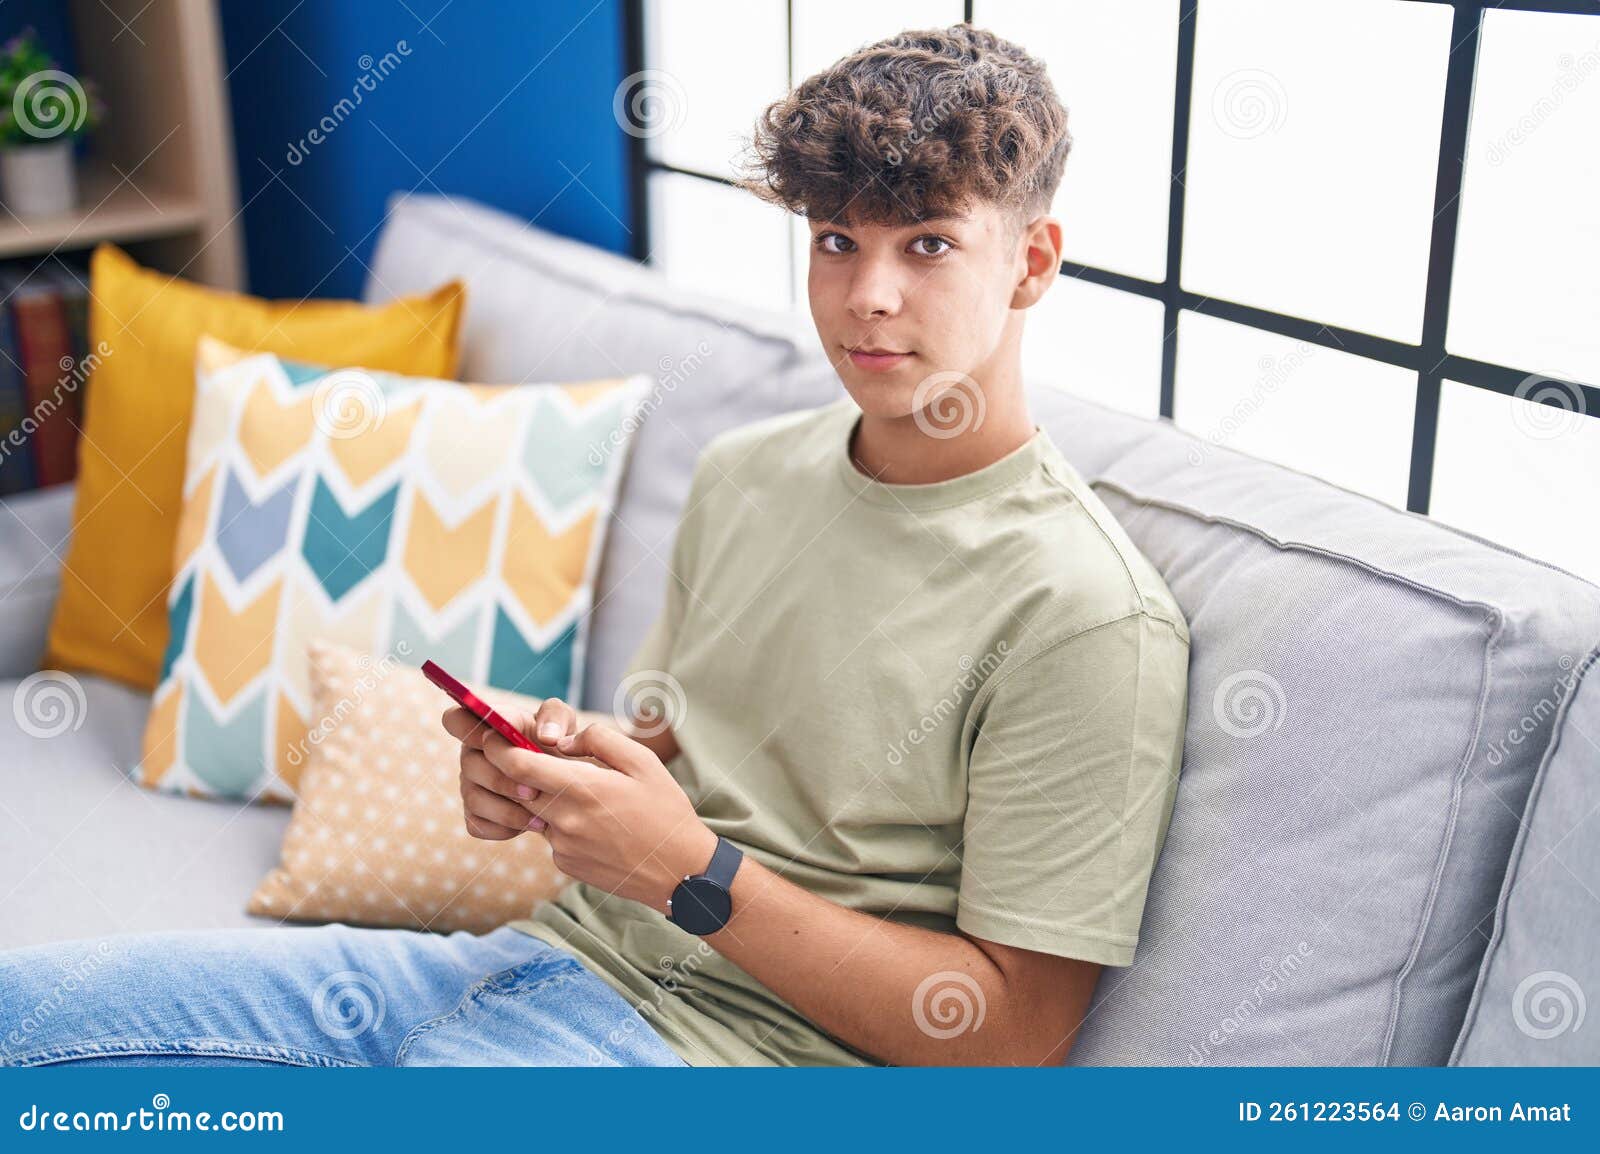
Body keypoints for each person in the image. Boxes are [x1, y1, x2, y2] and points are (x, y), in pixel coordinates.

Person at [0, 22, 1188, 1069]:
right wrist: (558, 768)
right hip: (516, 966)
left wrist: (692, 872)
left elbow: (1010, 1038)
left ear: (1029, 261)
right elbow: (668, 740)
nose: (867, 294)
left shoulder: (1082, 613)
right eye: (836, 241)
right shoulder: (748, 473)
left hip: (714, 1054)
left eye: (926, 244)